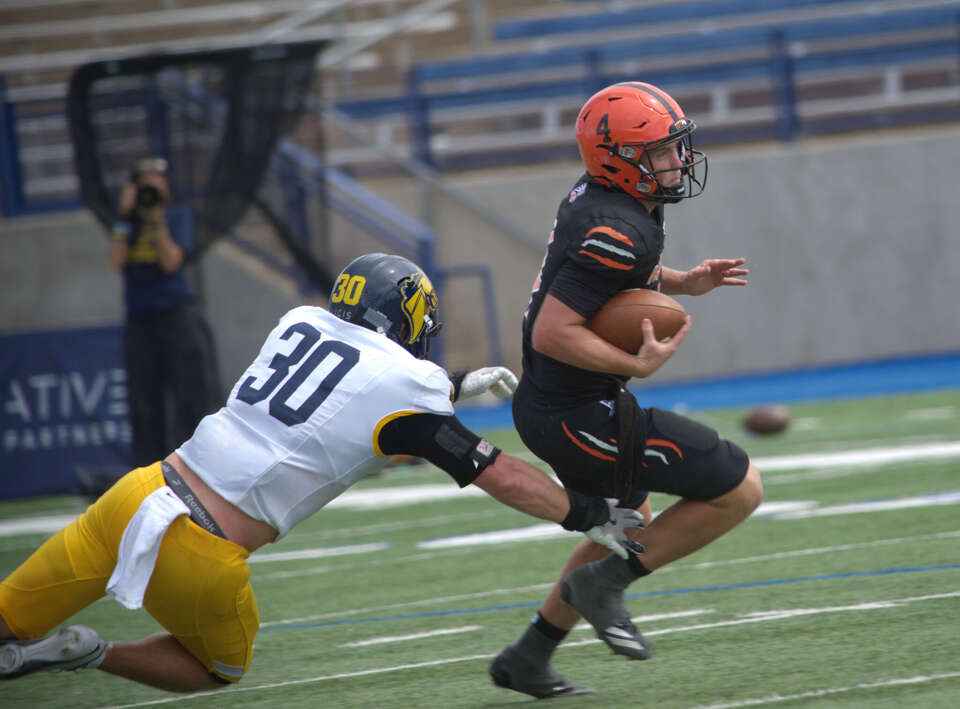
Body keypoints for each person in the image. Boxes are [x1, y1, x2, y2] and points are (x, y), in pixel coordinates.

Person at [0, 253, 643, 692]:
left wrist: (453, 387)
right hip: (201, 545)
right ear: (409, 320)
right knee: (217, 669)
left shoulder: (299, 322)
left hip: (138, 492)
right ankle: (93, 652)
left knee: (8, 615)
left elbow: (342, 392)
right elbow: (497, 473)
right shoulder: (405, 384)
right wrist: (588, 516)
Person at [488, 82, 764, 699]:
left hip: (563, 404)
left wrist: (683, 284)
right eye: (662, 152)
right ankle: (605, 584)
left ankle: (527, 658)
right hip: (576, 413)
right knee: (739, 488)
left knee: (629, 523)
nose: (678, 161)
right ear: (619, 158)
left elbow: (604, 275)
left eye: (677, 147)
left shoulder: (604, 198)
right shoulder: (617, 226)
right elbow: (554, 331)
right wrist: (633, 364)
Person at [109, 156, 221, 469]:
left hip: (176, 315)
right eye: (146, 182)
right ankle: (148, 469)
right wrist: (124, 215)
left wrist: (156, 220)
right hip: (140, 319)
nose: (153, 188)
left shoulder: (177, 215)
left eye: (158, 181)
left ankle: (198, 466)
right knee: (144, 400)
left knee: (189, 394)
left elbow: (172, 261)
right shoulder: (125, 223)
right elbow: (116, 261)